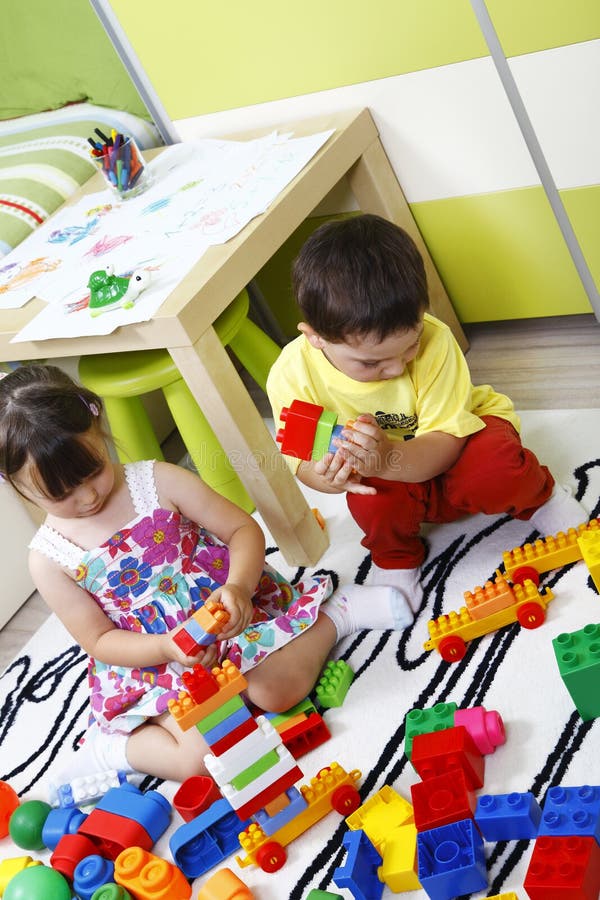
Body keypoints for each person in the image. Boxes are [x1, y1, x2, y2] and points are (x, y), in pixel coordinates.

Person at [0, 364, 412, 784]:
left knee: (274, 692)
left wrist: (238, 587)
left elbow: (241, 530)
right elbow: (101, 641)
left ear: (97, 425)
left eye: (94, 471)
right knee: (196, 762)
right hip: (157, 662)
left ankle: (335, 615)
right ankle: (113, 751)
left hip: (240, 619)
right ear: (14, 485)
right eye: (61, 494)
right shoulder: (50, 559)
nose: (87, 496)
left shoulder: (156, 481)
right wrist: (166, 647)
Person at [267, 214, 588, 612]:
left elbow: (446, 443)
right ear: (314, 336)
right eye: (371, 363)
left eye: (410, 345)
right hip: (393, 478)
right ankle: (397, 558)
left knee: (495, 464)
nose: (397, 368)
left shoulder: (436, 340)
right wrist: (332, 478)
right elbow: (303, 463)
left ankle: (541, 498)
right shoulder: (291, 376)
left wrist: (386, 457)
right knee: (368, 499)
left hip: (455, 446)